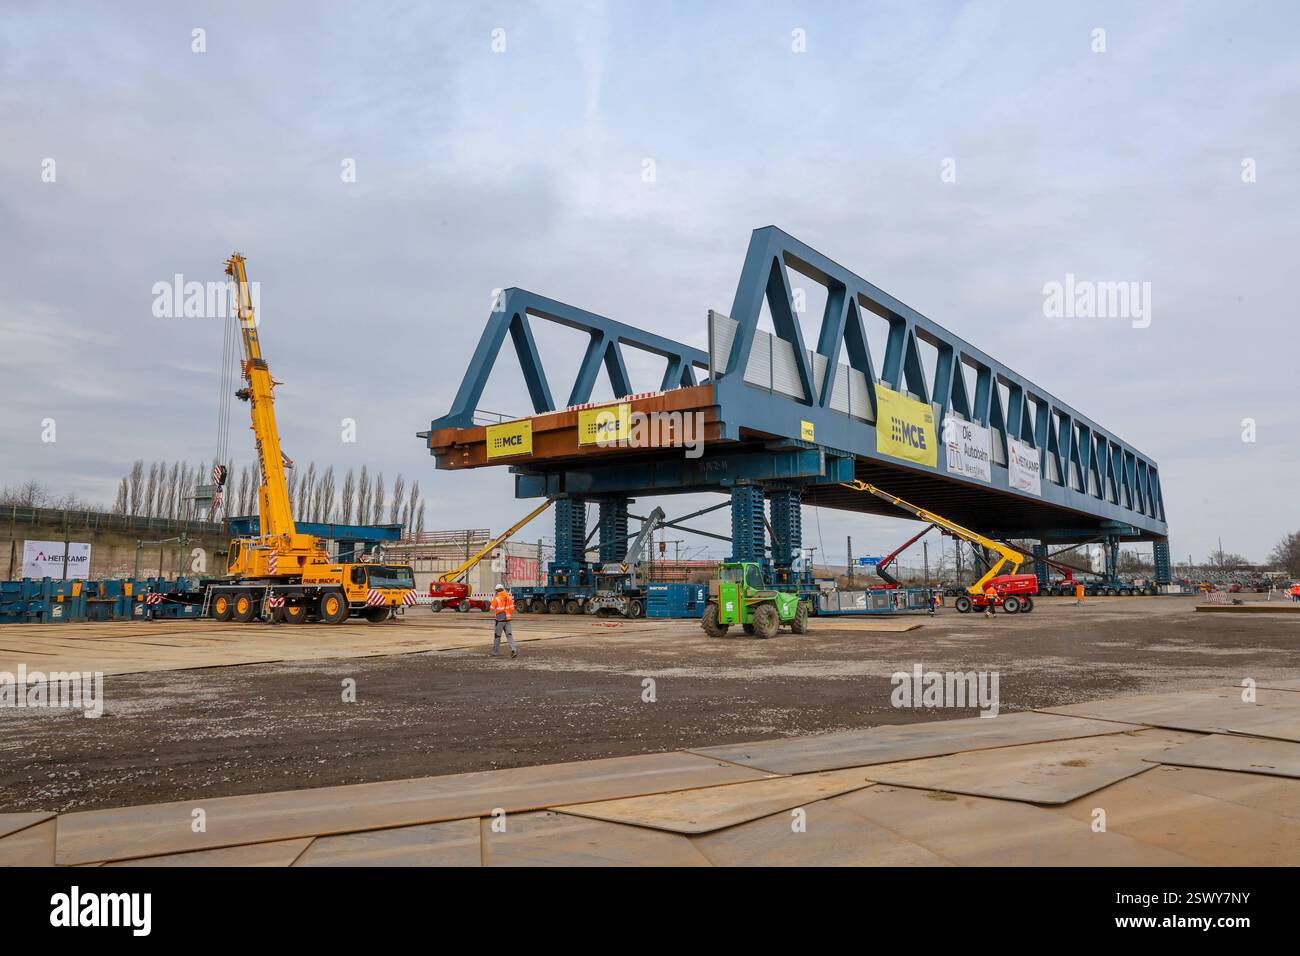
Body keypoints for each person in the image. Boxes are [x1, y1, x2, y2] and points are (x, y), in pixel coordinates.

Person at [490, 584, 517, 658]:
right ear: (503, 589)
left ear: (497, 591)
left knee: (497, 636)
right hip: (508, 619)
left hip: (500, 620)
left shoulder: (497, 598)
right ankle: (513, 649)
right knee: (509, 635)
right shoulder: (509, 597)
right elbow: (512, 609)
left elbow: (492, 608)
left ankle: (495, 652)